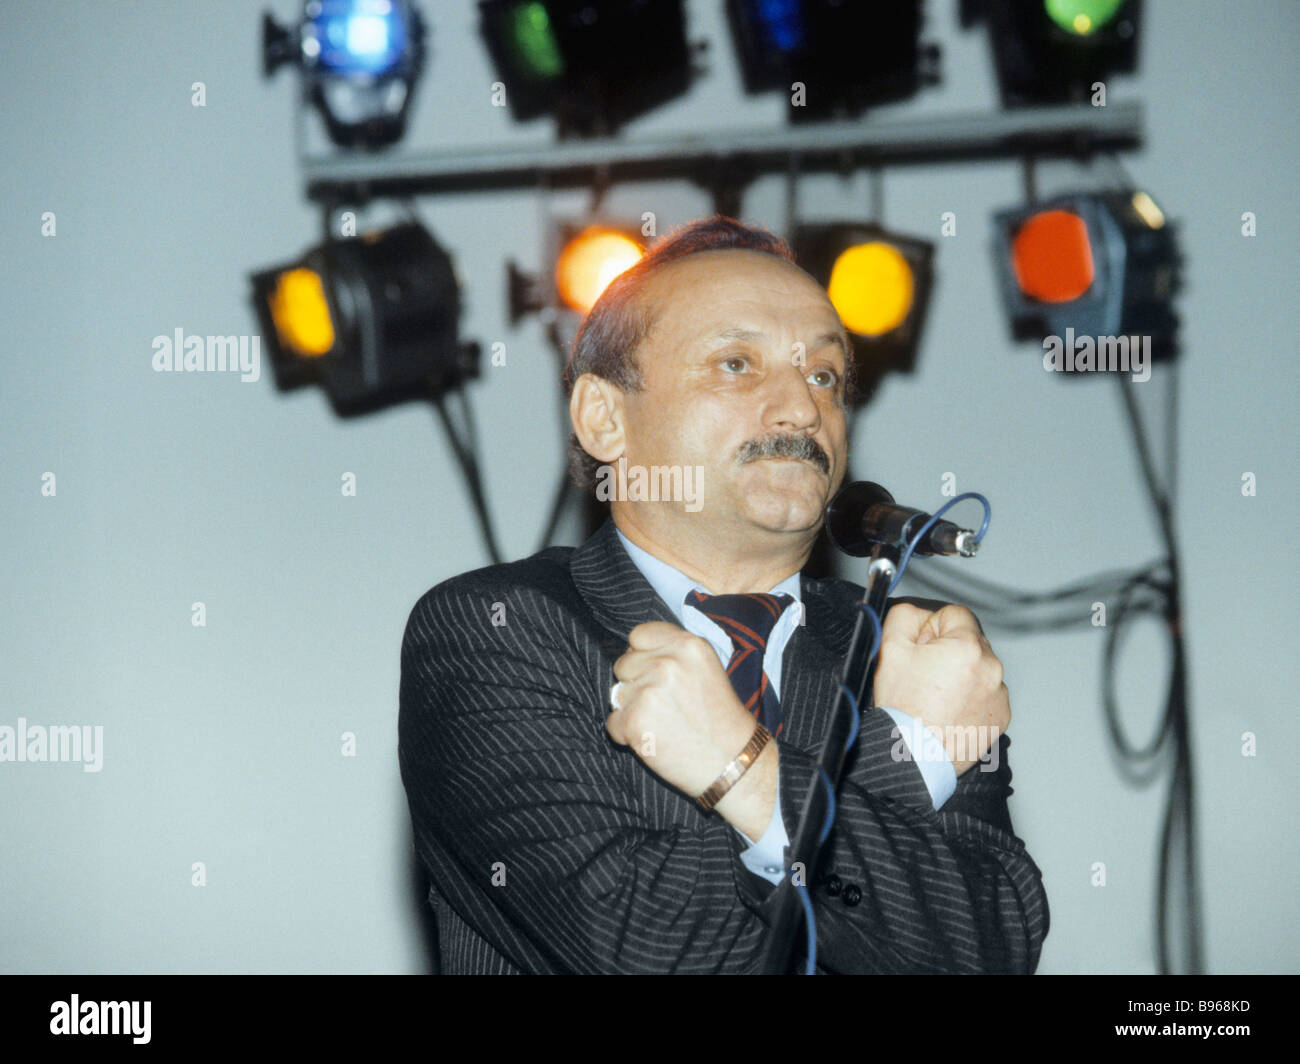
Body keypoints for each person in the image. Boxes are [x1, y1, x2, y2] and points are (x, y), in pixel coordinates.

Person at [398, 215, 1049, 974]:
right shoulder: (495, 629)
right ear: (605, 419)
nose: (803, 410)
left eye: (824, 376)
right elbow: (639, 943)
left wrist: (747, 774)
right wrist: (911, 752)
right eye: (737, 364)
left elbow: (990, 946)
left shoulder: (905, 654)